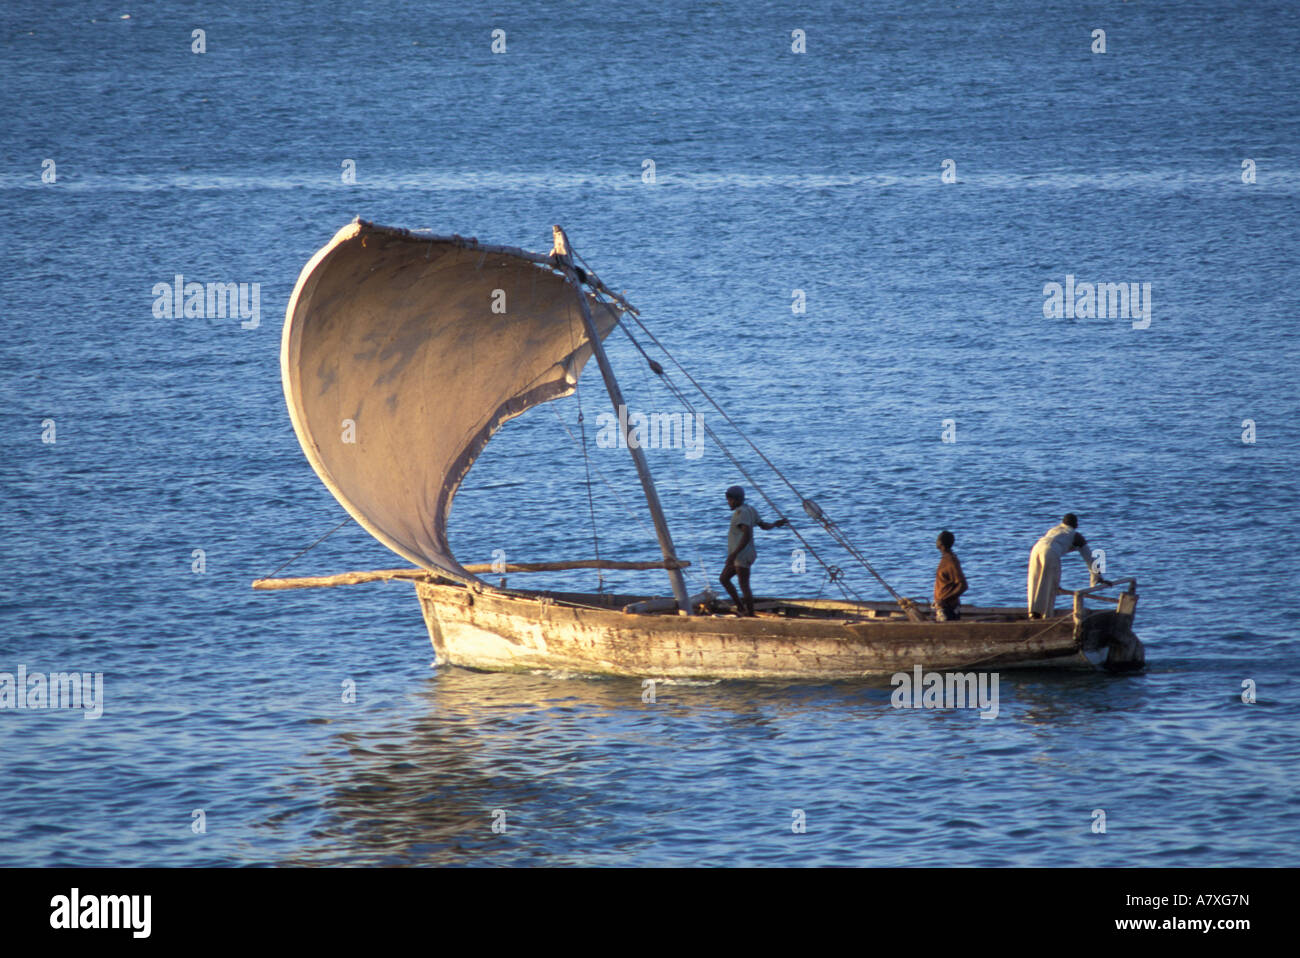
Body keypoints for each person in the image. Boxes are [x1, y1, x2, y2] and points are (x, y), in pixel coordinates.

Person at [719, 486, 787, 617]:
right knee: (724, 579)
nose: (728, 503)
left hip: (741, 555)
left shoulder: (741, 513)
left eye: (729, 500)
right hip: (743, 554)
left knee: (744, 585)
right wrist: (775, 524)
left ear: (735, 500)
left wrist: (733, 555)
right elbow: (763, 525)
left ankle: (749, 614)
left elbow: (747, 535)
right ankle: (740, 607)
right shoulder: (750, 509)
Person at [1026, 513, 1110, 617]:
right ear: (1075, 524)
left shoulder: (1054, 530)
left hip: (1036, 549)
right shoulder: (1076, 535)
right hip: (1050, 552)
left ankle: (1032, 612)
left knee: (1035, 581)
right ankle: (1045, 615)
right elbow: (1089, 557)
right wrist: (1097, 577)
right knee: (1050, 584)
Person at [932, 530, 968, 621]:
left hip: (948, 610)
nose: (936, 541)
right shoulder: (946, 559)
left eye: (937, 539)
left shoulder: (950, 561)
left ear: (940, 543)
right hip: (943, 608)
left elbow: (963, 586)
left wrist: (944, 600)